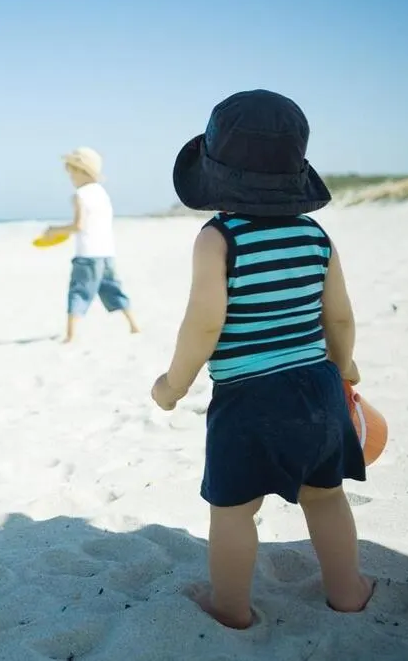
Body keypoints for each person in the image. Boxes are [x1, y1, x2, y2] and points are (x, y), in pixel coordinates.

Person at [150, 90, 374, 629]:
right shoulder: (315, 235)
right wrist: (345, 367)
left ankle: (229, 605)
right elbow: (339, 317)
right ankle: (347, 590)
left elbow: (204, 324)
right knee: (326, 498)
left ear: (215, 176)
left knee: (233, 511)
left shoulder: (219, 238)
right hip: (316, 388)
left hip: (248, 400)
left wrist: (173, 384)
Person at [44, 147, 141, 343]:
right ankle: (134, 325)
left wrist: (53, 230)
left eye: (71, 172)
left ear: (81, 171)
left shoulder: (80, 195)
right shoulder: (102, 193)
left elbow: (78, 225)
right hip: (107, 252)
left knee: (78, 291)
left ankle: (70, 336)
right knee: (114, 289)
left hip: (87, 254)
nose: (70, 177)